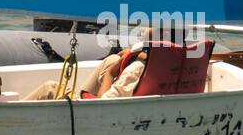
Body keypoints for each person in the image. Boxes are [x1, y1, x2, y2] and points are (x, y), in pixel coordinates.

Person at [22, 37, 150, 101]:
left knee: (50, 87)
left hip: (95, 112)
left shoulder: (136, 68)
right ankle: (82, 96)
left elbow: (104, 105)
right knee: (112, 60)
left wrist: (110, 74)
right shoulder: (161, 62)